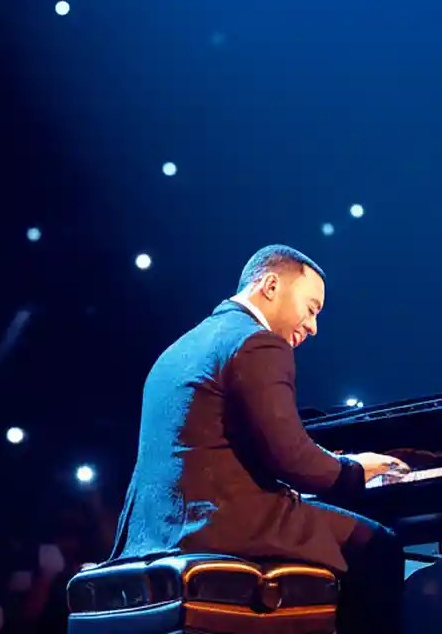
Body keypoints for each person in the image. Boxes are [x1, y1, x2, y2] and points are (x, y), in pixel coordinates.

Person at [109, 244, 408, 633]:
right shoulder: (260, 342)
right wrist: (353, 469)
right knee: (379, 546)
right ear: (270, 285)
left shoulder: (181, 346)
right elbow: (291, 458)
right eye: (312, 308)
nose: (313, 326)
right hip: (223, 525)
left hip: (151, 532)